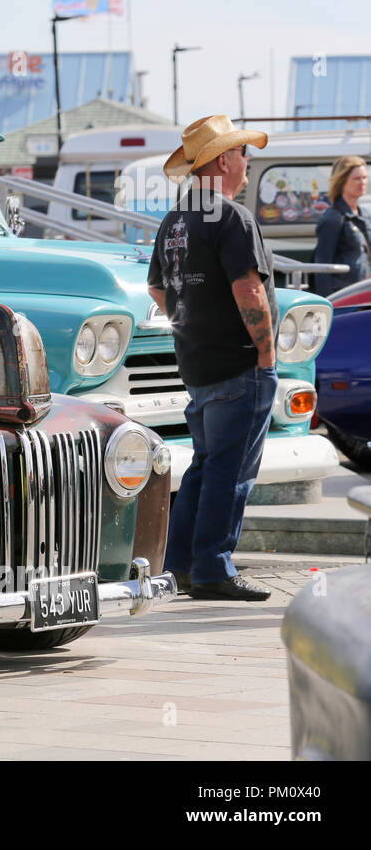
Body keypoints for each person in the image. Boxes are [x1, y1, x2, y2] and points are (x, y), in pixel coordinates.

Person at [147, 115, 276, 601]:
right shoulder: (232, 217)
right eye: (244, 153)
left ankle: (178, 564)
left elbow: (158, 288)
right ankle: (214, 569)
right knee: (232, 470)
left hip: (197, 362)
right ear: (224, 159)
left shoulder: (176, 218)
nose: (247, 163)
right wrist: (264, 352)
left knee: (206, 464)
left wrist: (193, 321)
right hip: (239, 363)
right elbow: (250, 290)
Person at [312, 155, 370, 297]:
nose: (362, 183)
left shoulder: (365, 214)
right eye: (357, 178)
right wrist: (328, 306)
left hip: (363, 293)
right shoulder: (333, 218)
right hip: (344, 296)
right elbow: (322, 268)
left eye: (364, 177)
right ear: (342, 181)